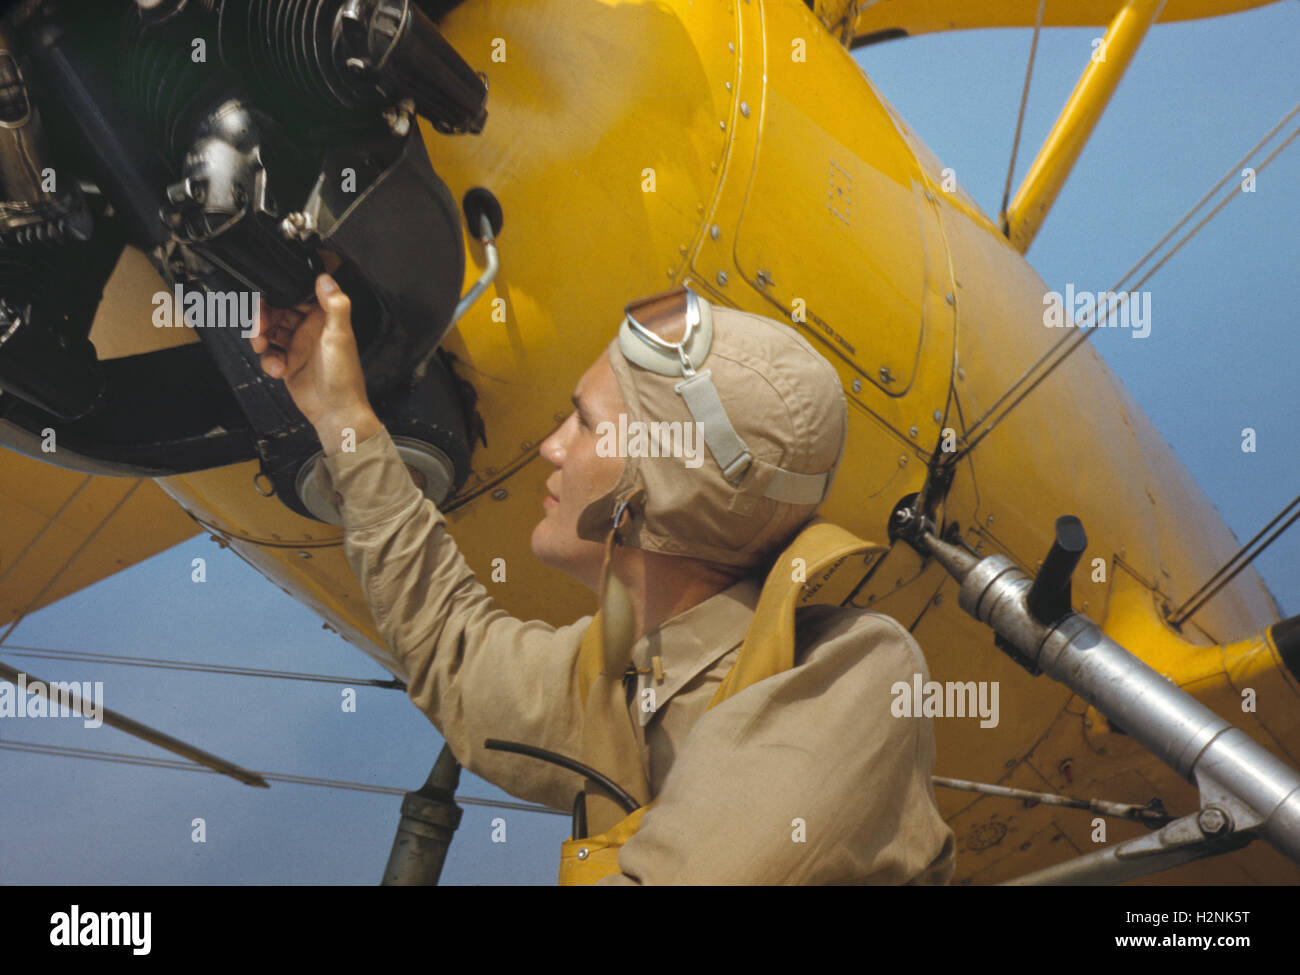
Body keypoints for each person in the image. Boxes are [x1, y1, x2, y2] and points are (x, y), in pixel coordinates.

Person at [251, 272, 956, 884]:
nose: (551, 446)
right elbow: (452, 650)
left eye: (585, 424)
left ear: (660, 489)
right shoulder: (621, 679)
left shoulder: (855, 675)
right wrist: (341, 415)